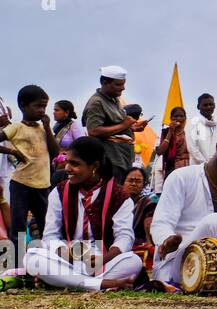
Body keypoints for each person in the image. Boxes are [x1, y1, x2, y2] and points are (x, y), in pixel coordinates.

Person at [23, 136, 141, 291]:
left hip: (103, 260)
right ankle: (100, 285)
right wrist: (65, 253)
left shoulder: (119, 196)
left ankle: (68, 282)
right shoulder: (59, 192)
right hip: (67, 259)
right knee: (32, 256)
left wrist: (102, 259)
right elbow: (50, 236)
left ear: (94, 166)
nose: (67, 168)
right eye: (67, 162)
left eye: (75, 164)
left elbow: (124, 237)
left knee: (134, 261)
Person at [151, 129, 217, 286]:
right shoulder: (181, 177)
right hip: (174, 265)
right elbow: (161, 223)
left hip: (215, 270)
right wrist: (167, 239)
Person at [1, 85, 58, 248]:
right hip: (21, 184)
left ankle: (48, 262)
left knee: (46, 226)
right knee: (18, 227)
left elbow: (54, 152)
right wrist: (11, 150)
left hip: (42, 185)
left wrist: (47, 127)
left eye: (44, 107)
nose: (42, 110)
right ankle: (15, 267)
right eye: (38, 106)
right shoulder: (16, 127)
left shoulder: (44, 129)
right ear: (23, 106)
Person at [81, 66, 143, 184]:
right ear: (105, 83)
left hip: (122, 158)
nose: (123, 88)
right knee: (111, 195)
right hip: (111, 160)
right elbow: (94, 131)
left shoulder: (114, 99)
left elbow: (114, 125)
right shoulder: (97, 102)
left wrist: (132, 128)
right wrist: (124, 125)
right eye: (118, 85)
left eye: (123, 84)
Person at [50, 100, 85, 185]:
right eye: (54, 110)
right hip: (54, 163)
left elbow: (82, 145)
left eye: (57, 110)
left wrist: (67, 154)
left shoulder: (74, 125)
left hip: (67, 165)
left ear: (66, 112)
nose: (54, 113)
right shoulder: (55, 126)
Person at [154, 107, 190, 185]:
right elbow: (160, 151)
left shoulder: (190, 131)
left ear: (185, 118)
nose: (178, 119)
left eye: (181, 116)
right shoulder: (166, 132)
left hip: (189, 167)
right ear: (171, 118)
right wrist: (170, 132)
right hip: (172, 168)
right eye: (176, 116)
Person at [186, 95, 217, 166]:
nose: (209, 107)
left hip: (215, 166)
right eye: (205, 105)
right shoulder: (194, 123)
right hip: (198, 167)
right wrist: (206, 163)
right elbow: (192, 148)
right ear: (198, 106)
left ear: (214, 105)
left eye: (211, 104)